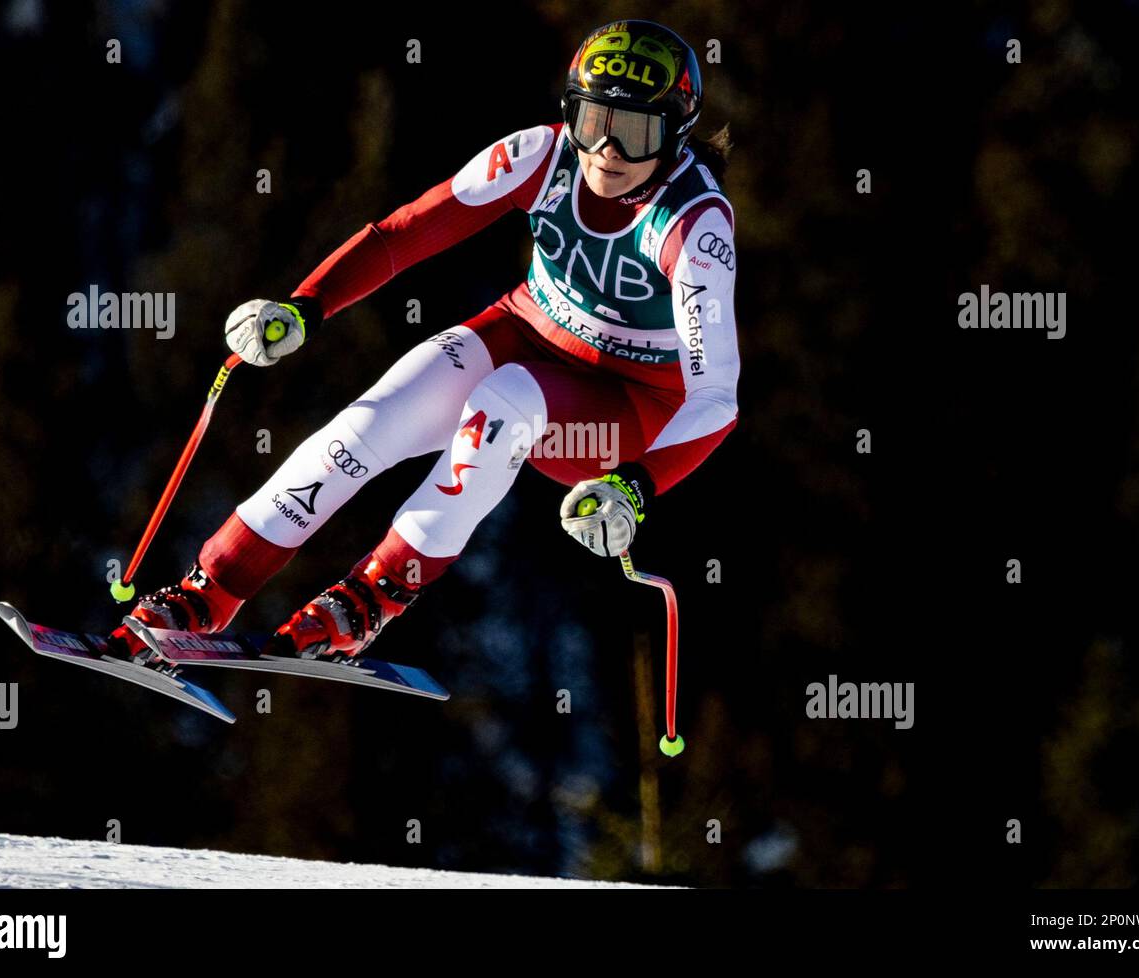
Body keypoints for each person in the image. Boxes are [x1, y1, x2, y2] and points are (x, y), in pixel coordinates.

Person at [108, 19, 741, 663]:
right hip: (527, 331)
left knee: (503, 402)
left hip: (625, 416)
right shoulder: (540, 156)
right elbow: (404, 233)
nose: (607, 151)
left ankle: (370, 598)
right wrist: (306, 306)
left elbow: (716, 398)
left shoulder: (693, 225)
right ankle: (208, 589)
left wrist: (636, 485)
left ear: (676, 134)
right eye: (593, 122)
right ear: (568, 113)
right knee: (366, 425)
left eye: (634, 133)